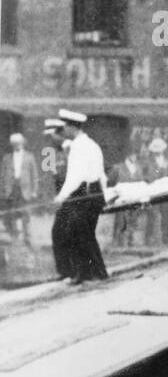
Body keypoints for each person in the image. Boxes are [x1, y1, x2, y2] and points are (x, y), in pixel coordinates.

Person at [51, 109, 109, 284]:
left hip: (86, 194)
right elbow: (101, 175)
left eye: (65, 127)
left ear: (71, 127)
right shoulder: (91, 144)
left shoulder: (78, 146)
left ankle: (92, 274)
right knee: (83, 234)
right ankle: (92, 273)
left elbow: (75, 177)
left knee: (79, 234)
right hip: (94, 193)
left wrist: (61, 196)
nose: (64, 131)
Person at [2, 132, 39, 244]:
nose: (17, 145)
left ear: (23, 143)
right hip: (11, 189)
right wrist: (2, 190)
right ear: (12, 144)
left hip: (25, 189)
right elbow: (2, 175)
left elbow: (35, 175)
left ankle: (27, 238)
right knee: (12, 213)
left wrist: (34, 191)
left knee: (26, 213)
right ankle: (15, 237)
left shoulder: (29, 156)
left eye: (19, 143)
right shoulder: (7, 158)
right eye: (15, 143)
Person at [141, 136, 168, 244]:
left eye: (159, 149)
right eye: (156, 149)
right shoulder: (148, 162)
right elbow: (144, 177)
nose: (158, 152)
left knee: (165, 216)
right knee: (153, 216)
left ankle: (165, 238)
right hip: (153, 192)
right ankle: (150, 240)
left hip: (166, 192)